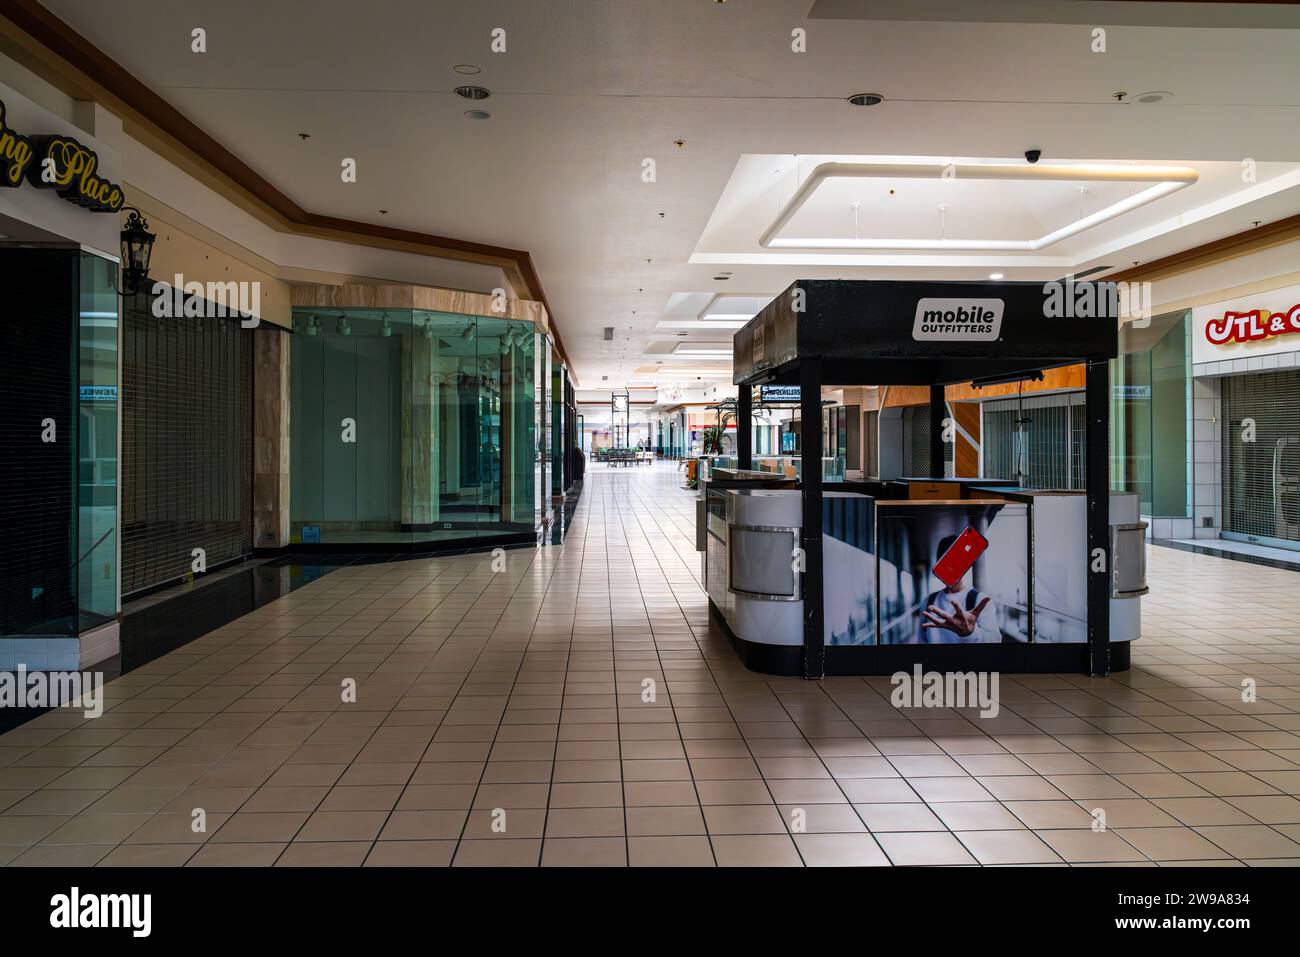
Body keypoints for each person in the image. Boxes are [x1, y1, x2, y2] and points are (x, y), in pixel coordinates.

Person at [914, 533, 1001, 644]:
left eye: (955, 560)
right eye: (944, 560)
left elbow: (995, 640)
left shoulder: (980, 601)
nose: (950, 566)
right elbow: (921, 641)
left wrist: (970, 633)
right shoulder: (928, 601)